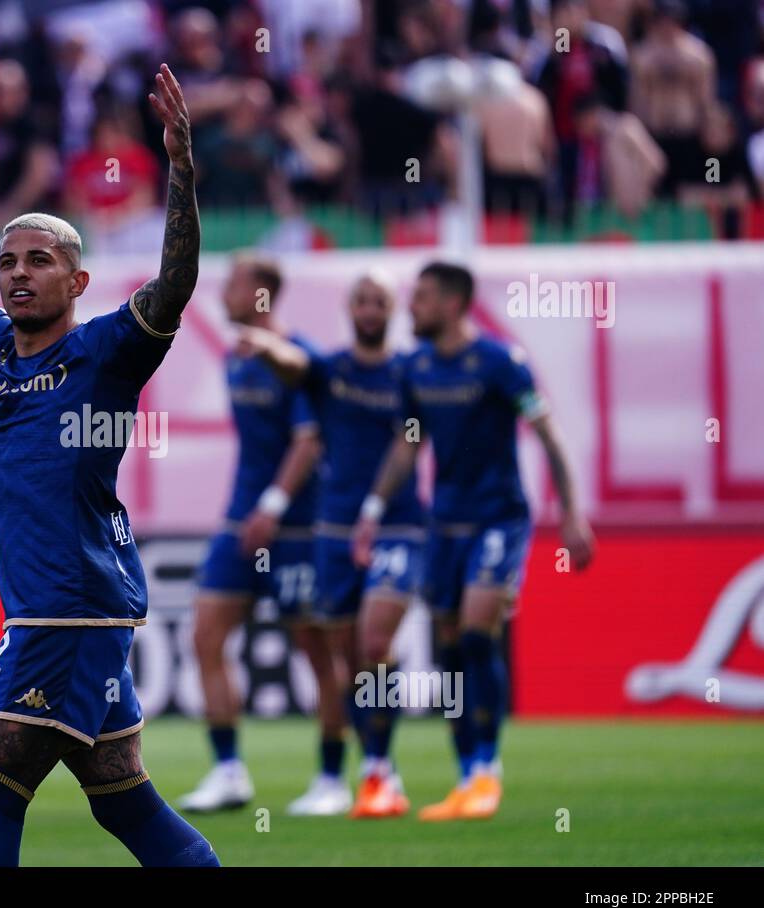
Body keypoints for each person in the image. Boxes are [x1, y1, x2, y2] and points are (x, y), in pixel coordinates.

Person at [0, 55, 219, 866]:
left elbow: (176, 281)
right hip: (67, 605)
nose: (19, 274)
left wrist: (182, 172)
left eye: (40, 261)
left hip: (66, 606)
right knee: (124, 800)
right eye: (9, 263)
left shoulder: (108, 352)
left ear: (79, 279)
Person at [352, 262, 596, 820]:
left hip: (498, 520)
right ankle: (466, 777)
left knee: (477, 631)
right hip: (446, 524)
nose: (410, 307)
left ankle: (489, 769)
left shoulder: (499, 363)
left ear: (455, 304)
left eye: (423, 298)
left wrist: (572, 514)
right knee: (450, 651)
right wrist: (372, 509)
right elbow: (408, 445)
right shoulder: (414, 368)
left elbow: (548, 435)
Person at [236, 272, 423, 818]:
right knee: (346, 659)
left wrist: (377, 505)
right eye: (361, 300)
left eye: (379, 302)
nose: (369, 310)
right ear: (349, 306)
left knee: (372, 643)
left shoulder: (408, 372)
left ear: (394, 308)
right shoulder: (330, 369)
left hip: (399, 525)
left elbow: (411, 438)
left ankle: (380, 768)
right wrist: (268, 345)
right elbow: (294, 366)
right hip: (333, 529)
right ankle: (374, 771)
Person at [178, 251, 326, 815]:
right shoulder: (234, 359)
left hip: (297, 524)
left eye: (234, 284)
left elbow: (308, 440)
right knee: (206, 635)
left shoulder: (300, 358)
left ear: (262, 291)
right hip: (240, 519)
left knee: (315, 647)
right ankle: (228, 771)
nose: (224, 293)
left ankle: (334, 775)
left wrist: (274, 504)